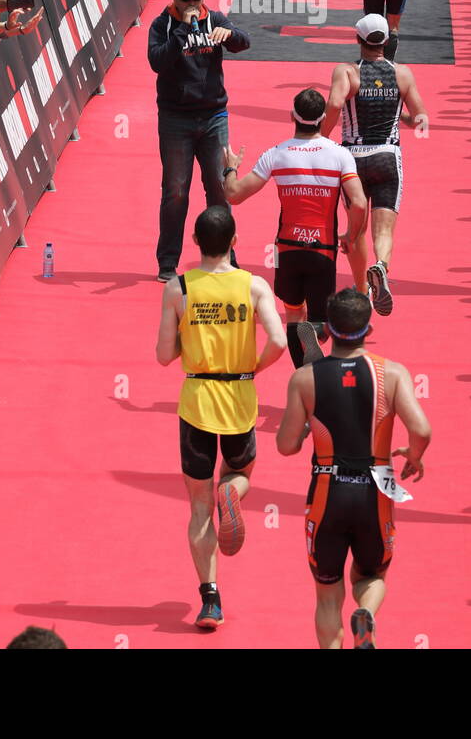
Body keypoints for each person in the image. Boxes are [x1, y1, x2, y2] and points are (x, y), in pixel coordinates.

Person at [276, 287, 431, 649]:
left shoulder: (304, 379)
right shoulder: (392, 373)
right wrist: (414, 454)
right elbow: (421, 430)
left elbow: (285, 447)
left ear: (328, 327)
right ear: (368, 329)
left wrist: (305, 426)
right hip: (376, 487)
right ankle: (368, 614)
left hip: (327, 490)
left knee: (327, 593)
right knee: (371, 574)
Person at [155, 205, 286, 630]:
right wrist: (252, 367)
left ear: (194, 243)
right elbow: (280, 342)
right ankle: (232, 491)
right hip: (239, 398)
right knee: (240, 471)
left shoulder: (179, 288)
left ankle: (210, 600)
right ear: (234, 241)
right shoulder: (254, 286)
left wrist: (188, 333)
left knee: (197, 507)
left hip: (196, 399)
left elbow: (162, 356)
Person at [223, 88, 368, 368]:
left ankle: (304, 377)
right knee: (319, 322)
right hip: (323, 251)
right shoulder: (339, 155)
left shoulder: (277, 154)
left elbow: (234, 195)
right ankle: (317, 338)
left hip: (286, 248)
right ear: (324, 118)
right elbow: (360, 203)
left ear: (292, 116)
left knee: (292, 314)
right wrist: (351, 236)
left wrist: (231, 168)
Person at [321, 13, 429, 316]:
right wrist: (400, 116)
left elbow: (333, 104)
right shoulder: (402, 74)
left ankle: (361, 290)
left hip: (352, 159)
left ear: (358, 40)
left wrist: (322, 138)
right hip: (387, 155)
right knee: (384, 230)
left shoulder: (347, 72)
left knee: (355, 229)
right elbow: (420, 119)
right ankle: (380, 266)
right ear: (386, 41)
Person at [147, 0, 250, 282]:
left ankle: (224, 256)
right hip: (175, 119)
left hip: (213, 117)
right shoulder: (162, 25)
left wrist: (229, 36)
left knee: (219, 187)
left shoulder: (215, 19)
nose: (192, 4)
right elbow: (156, 62)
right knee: (176, 191)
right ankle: (168, 262)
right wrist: (180, 33)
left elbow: (244, 43)